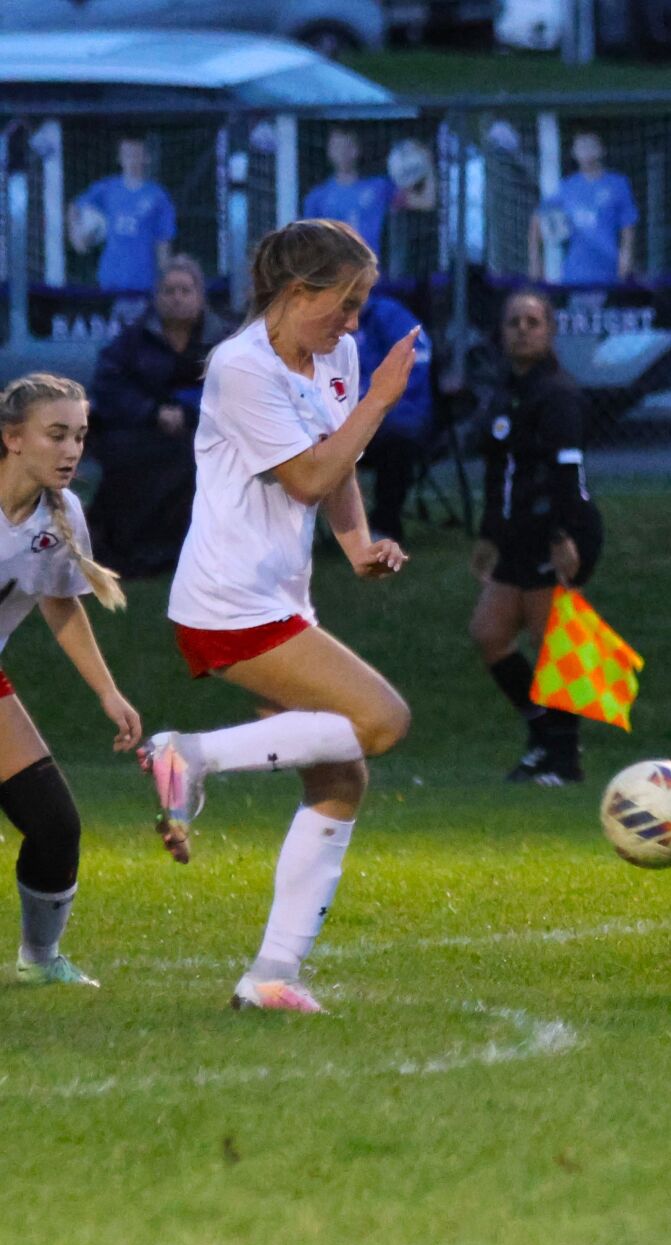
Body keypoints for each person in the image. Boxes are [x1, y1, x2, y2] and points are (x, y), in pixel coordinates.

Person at [137, 218, 420, 1015]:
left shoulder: (333, 355)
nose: (355, 323)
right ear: (299, 293)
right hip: (226, 600)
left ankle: (271, 975)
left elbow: (337, 465)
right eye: (347, 303)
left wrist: (358, 541)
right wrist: (380, 402)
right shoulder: (239, 367)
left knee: (340, 775)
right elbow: (305, 476)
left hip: (276, 596)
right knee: (382, 720)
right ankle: (186, 756)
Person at [0, 374, 141, 989]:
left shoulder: (62, 516)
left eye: (79, 436)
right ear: (12, 438)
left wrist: (108, 694)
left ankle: (40, 960)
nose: (71, 450)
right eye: (56, 434)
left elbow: (61, 603)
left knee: (56, 825)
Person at [468, 290, 605, 786]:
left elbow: (565, 473)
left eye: (533, 321)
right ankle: (542, 738)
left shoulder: (559, 394)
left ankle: (564, 759)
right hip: (516, 537)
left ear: (549, 332)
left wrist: (562, 533)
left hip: (559, 531)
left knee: (556, 646)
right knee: (490, 634)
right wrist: (489, 534)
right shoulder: (505, 391)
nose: (523, 329)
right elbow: (497, 471)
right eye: (513, 322)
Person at [87, 255, 229, 577]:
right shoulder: (130, 341)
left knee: (192, 455)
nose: (177, 298)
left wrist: (189, 413)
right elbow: (108, 386)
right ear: (156, 297)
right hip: (142, 429)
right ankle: (129, 547)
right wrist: (152, 412)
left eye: (185, 290)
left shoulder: (225, 340)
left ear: (199, 296)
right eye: (169, 291)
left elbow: (234, 391)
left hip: (204, 431)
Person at [355, 293, 433, 543]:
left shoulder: (389, 316)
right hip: (334, 421)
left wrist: (367, 401)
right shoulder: (323, 321)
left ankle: (384, 527)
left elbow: (412, 365)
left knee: (399, 435)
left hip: (390, 417)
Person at [303, 126, 437, 258]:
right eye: (337, 147)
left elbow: (427, 202)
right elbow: (306, 246)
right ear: (329, 151)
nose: (342, 153)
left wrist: (428, 167)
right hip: (336, 277)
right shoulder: (317, 197)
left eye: (347, 146)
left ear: (357, 150)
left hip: (370, 276)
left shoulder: (378, 187)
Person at [529, 131, 639, 286]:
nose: (586, 152)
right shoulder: (567, 187)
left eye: (590, 146)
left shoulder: (618, 184)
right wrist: (535, 261)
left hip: (610, 272)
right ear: (574, 153)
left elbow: (628, 226)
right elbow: (537, 218)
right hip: (575, 274)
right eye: (580, 148)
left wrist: (626, 258)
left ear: (601, 150)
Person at [69, 136, 176, 294]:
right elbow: (74, 207)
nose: (132, 160)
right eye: (127, 155)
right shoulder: (107, 188)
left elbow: (163, 243)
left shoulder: (158, 196)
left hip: (144, 282)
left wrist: (167, 279)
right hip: (110, 279)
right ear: (120, 158)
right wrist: (76, 236)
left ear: (146, 158)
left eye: (137, 154)